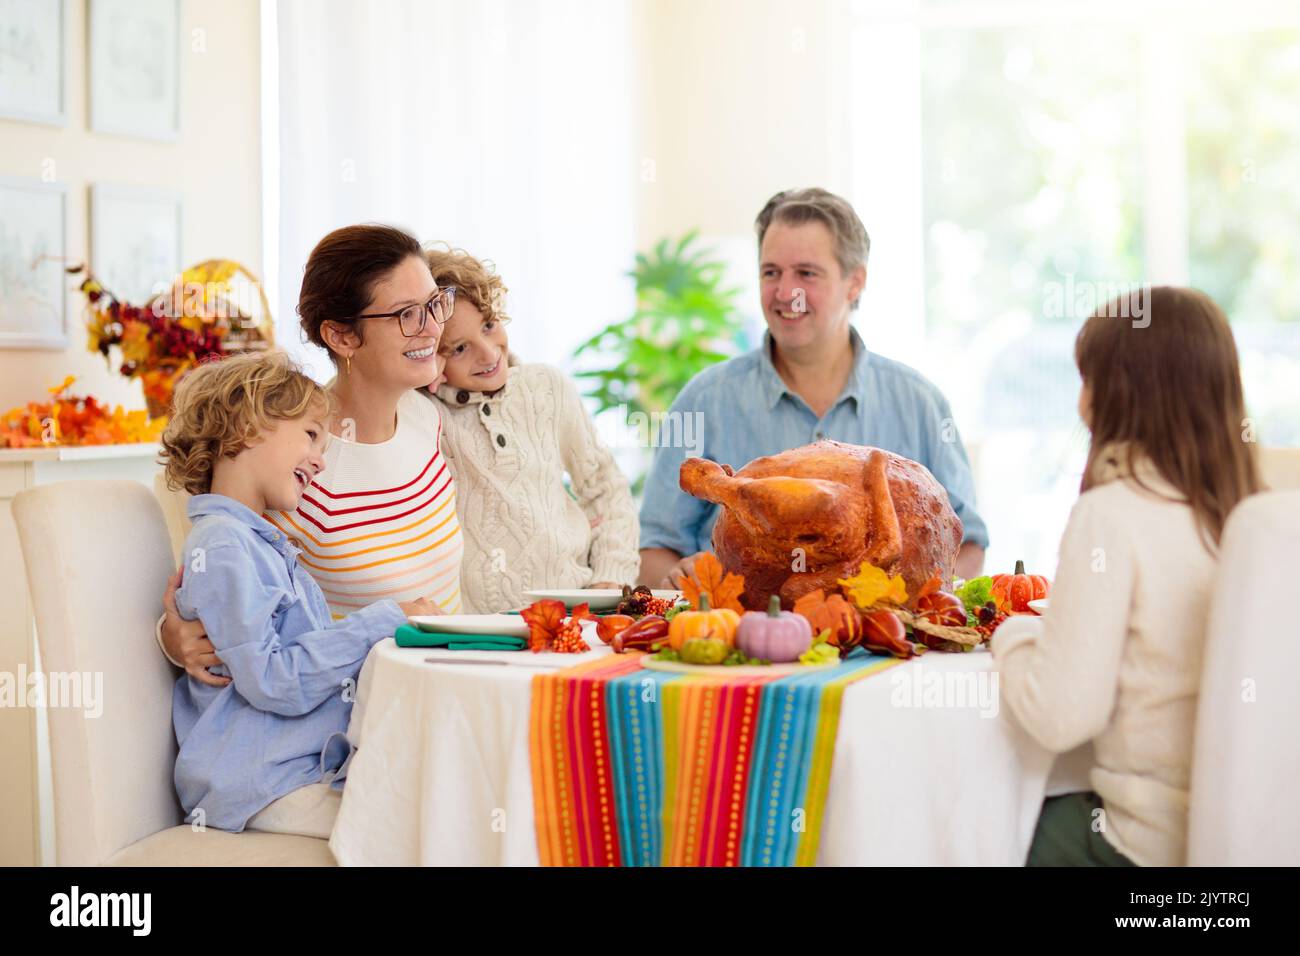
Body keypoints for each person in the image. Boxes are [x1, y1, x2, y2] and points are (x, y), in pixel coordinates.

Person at [993, 286, 1263, 866]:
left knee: (985, 827)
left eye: (1087, 380)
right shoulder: (1249, 513)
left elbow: (1059, 715)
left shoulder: (1112, 515)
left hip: (1139, 846)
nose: (1081, 403)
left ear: (1120, 394)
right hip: (1247, 841)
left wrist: (1010, 635)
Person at [159, 224, 464, 695]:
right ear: (341, 336)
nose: (432, 327)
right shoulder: (289, 463)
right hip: (363, 714)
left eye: (433, 304)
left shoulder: (428, 417)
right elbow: (223, 595)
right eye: (406, 313)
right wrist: (169, 636)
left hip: (456, 683)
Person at [638, 187, 988, 588]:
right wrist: (674, 576)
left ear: (855, 282)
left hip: (891, 642)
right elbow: (655, 549)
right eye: (771, 272)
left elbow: (969, 543)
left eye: (806, 273)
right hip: (745, 641)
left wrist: (916, 596)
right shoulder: (703, 401)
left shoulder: (920, 403)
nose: (787, 293)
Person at [160, 351, 443, 835]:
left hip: (283, 771)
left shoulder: (254, 543)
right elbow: (274, 680)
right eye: (311, 436)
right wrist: (385, 618)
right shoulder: (226, 545)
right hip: (259, 783)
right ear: (246, 427)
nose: (320, 459)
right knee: (418, 824)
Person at [423, 245, 639, 612]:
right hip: (478, 631)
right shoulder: (423, 415)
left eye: (489, 326)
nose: (490, 354)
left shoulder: (547, 388)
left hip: (576, 614)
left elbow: (605, 487)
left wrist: (610, 578)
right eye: (460, 348)